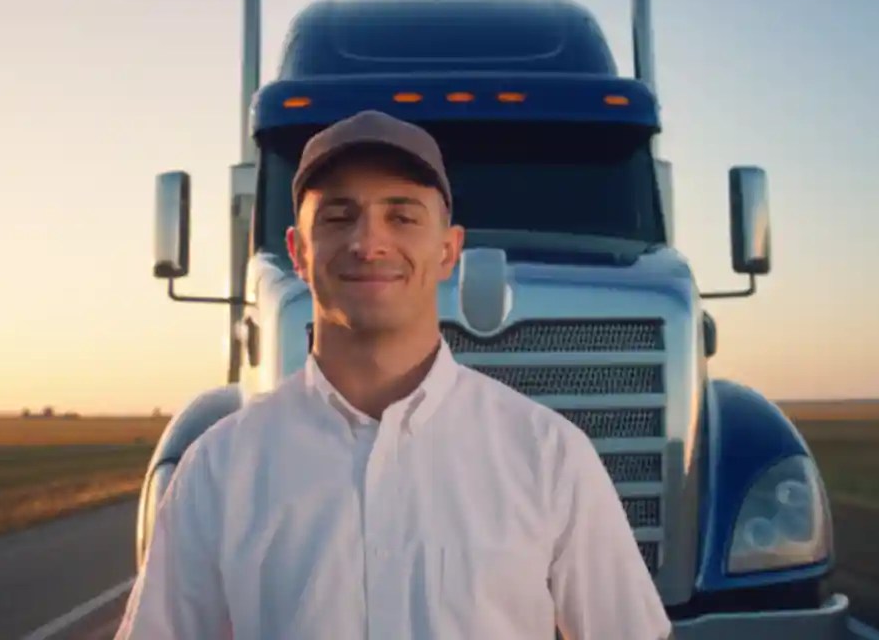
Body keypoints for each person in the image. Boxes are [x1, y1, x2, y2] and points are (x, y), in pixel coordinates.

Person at [115, 110, 672, 639]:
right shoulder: (217, 470)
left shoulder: (549, 456)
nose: (368, 243)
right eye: (338, 216)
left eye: (402, 216)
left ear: (449, 249)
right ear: (298, 252)